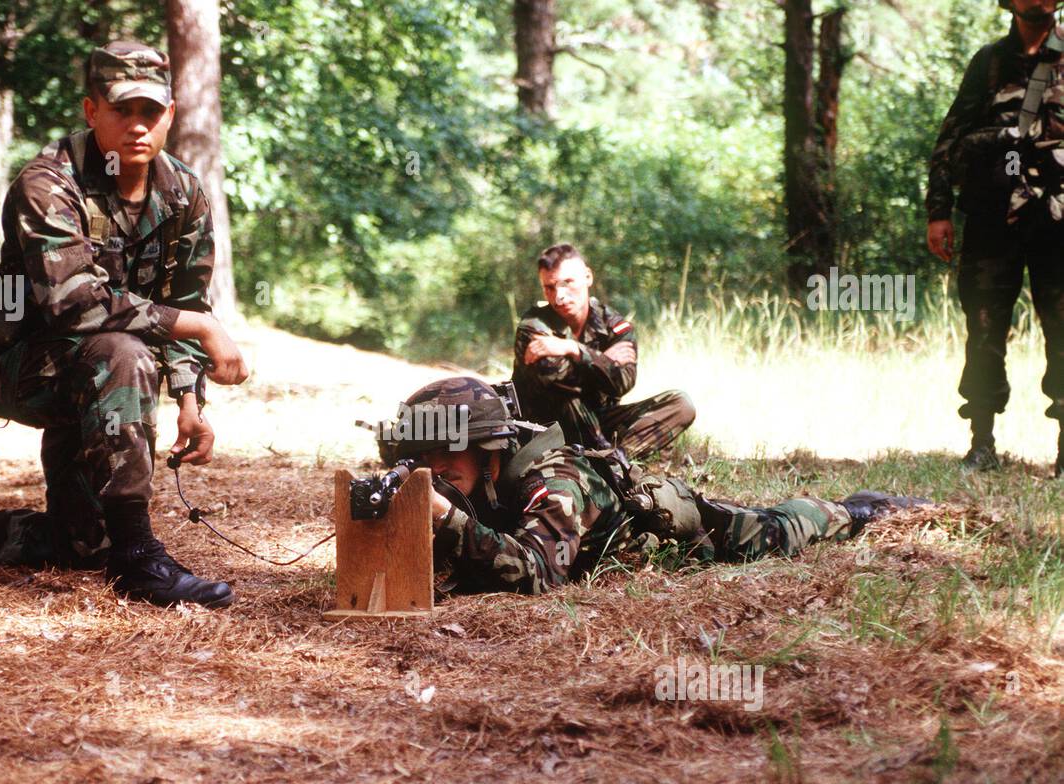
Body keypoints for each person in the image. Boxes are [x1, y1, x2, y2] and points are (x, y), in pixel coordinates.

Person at [0, 40, 248, 607]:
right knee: (122, 353)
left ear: (170, 115)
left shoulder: (182, 194)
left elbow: (182, 294)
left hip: (88, 370)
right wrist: (201, 329)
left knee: (80, 544)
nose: (137, 126)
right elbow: (74, 303)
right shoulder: (47, 184)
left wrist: (188, 396)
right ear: (91, 111)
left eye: (150, 112)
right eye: (120, 109)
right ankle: (137, 559)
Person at [385, 378, 924, 595]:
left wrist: (441, 515)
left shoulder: (556, 483)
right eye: (422, 456)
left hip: (673, 532)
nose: (434, 467)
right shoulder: (473, 486)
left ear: (490, 454)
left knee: (776, 530)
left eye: (446, 454)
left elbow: (538, 573)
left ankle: (862, 510)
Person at [926, 0, 1064, 477]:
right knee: (983, 329)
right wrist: (938, 212)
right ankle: (981, 444)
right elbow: (950, 138)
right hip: (992, 219)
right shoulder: (987, 63)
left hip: (1058, 221)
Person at [511, 243, 695, 457]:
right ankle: (604, 457)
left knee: (681, 404)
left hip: (600, 419)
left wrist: (575, 350)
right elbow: (555, 377)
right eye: (550, 287)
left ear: (588, 277)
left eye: (568, 283)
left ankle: (617, 460)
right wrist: (604, 363)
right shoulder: (534, 324)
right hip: (546, 427)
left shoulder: (612, 325)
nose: (559, 296)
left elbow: (623, 382)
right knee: (566, 397)